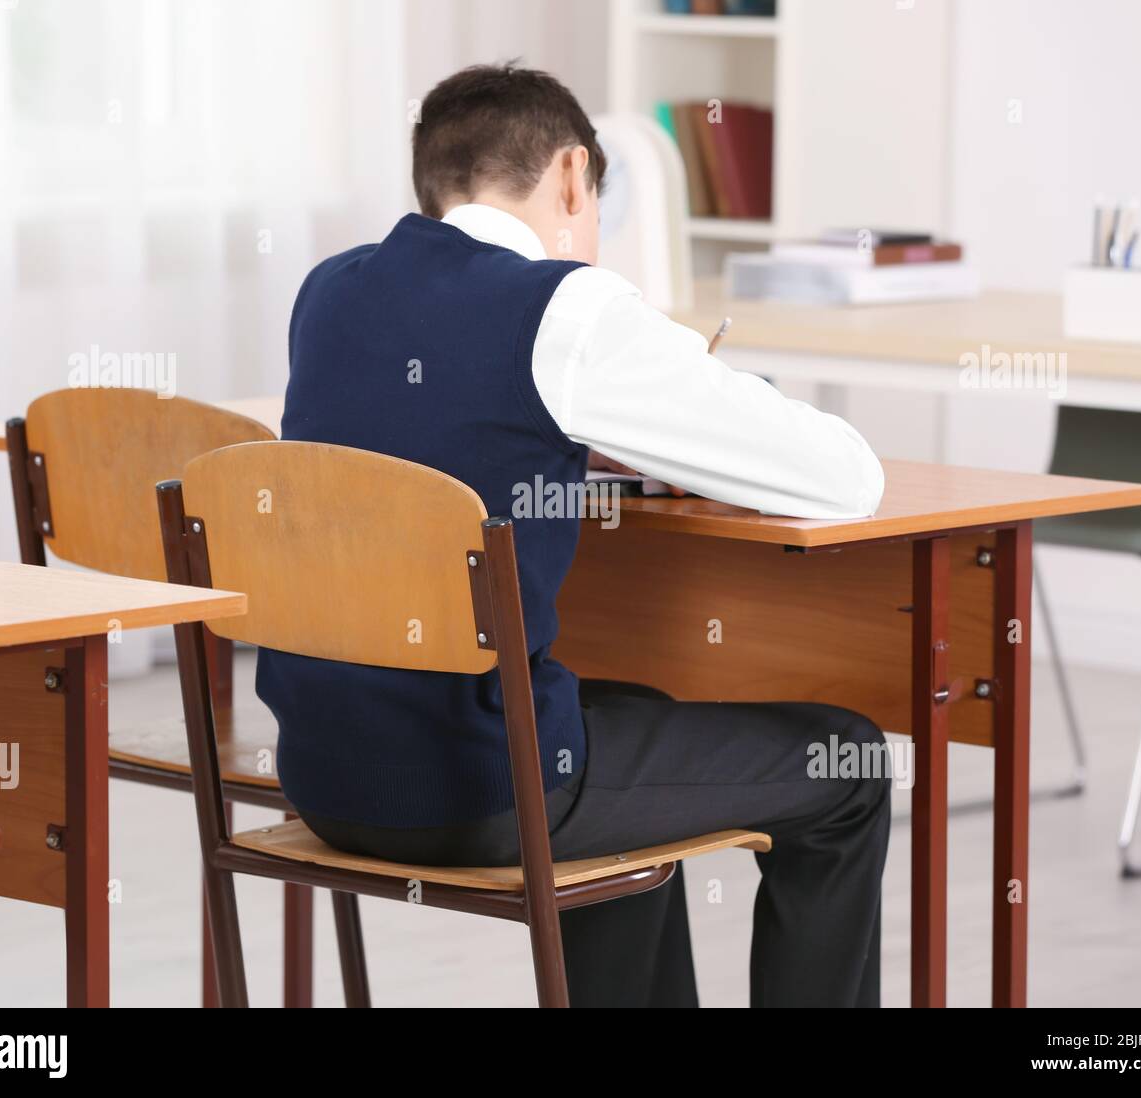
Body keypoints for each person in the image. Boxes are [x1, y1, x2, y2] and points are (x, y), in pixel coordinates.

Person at [258, 63, 890, 1007]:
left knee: (618, 709)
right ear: (568, 176)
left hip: (324, 769)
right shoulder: (563, 305)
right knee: (853, 764)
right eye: (593, 201)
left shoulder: (328, 291)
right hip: (477, 790)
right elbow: (848, 477)